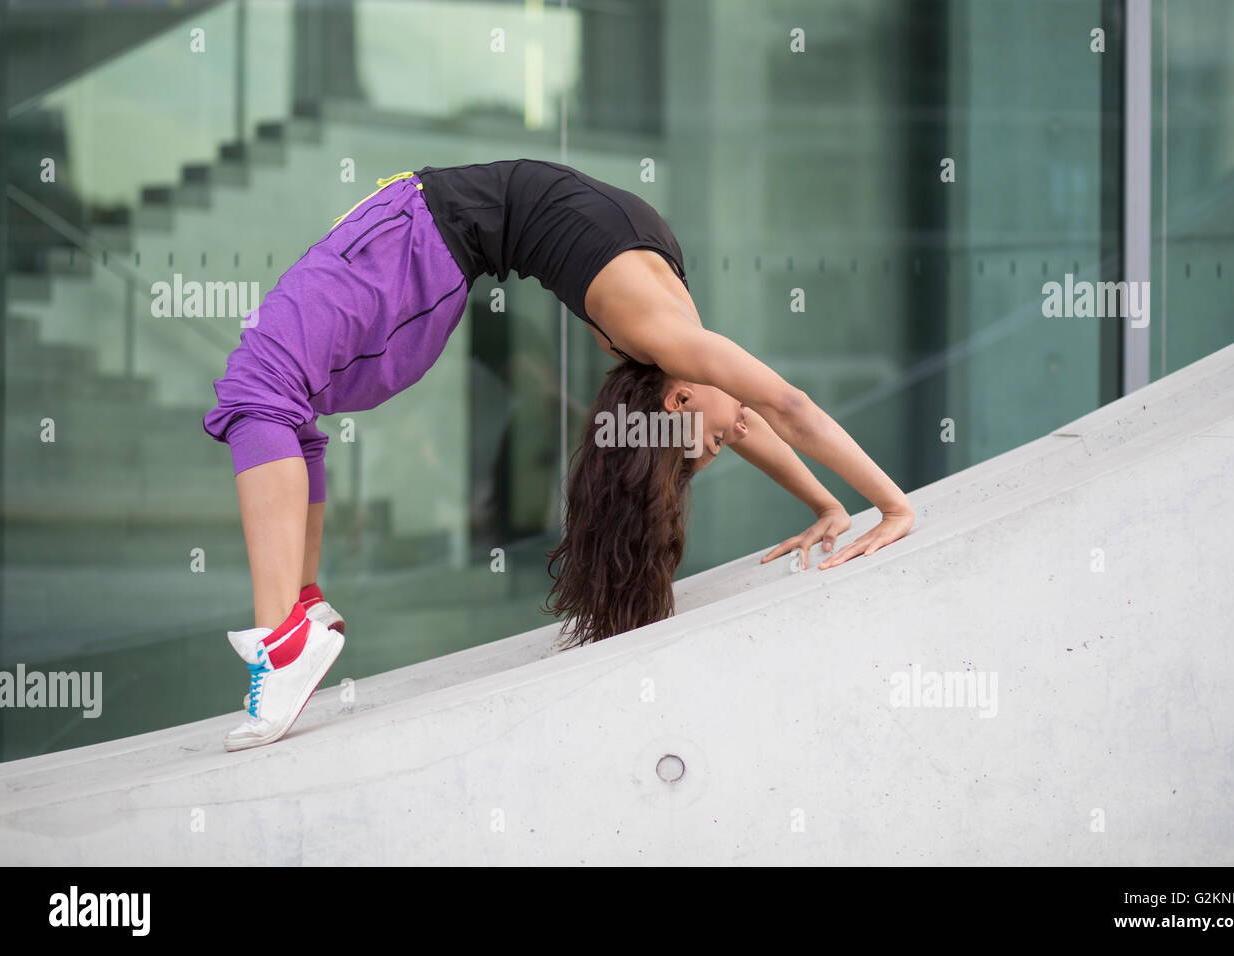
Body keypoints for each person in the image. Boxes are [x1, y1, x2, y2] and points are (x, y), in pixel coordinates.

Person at [203, 158, 914, 752]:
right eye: (720, 441)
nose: (737, 433)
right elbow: (785, 409)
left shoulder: (673, 348)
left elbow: (763, 419)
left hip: (423, 233)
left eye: (718, 443)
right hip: (420, 229)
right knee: (273, 392)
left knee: (262, 388)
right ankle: (298, 615)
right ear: (679, 402)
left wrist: (828, 505)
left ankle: (286, 633)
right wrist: (888, 506)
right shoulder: (676, 344)